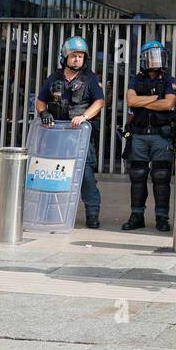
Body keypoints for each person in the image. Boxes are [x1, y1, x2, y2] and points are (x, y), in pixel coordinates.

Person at [35, 36, 105, 228]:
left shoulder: (89, 78)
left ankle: (92, 214)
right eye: (74, 55)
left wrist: (84, 117)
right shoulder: (54, 78)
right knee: (52, 174)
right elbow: (40, 101)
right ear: (65, 56)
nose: (77, 59)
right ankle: (47, 211)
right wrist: (44, 113)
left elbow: (99, 102)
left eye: (81, 56)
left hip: (78, 136)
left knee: (86, 176)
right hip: (55, 135)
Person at [122, 40, 176, 232]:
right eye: (151, 56)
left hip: (160, 135)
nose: (155, 61)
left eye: (158, 56)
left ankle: (162, 218)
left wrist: (141, 102)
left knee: (161, 176)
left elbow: (168, 104)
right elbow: (130, 100)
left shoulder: (169, 79)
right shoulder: (136, 79)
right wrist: (155, 98)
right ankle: (136, 215)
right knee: (137, 175)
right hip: (138, 135)